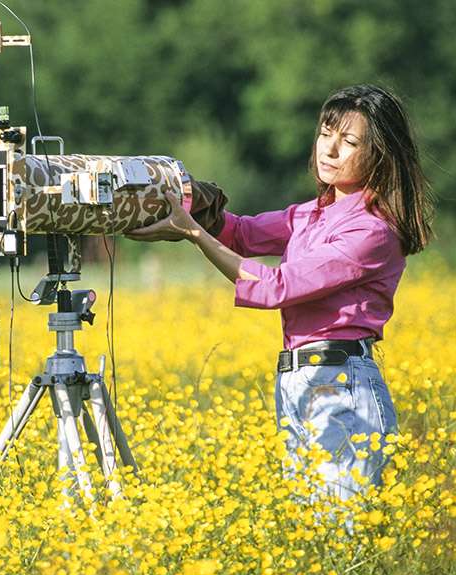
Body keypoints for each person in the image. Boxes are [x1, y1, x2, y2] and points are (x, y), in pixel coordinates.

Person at [127, 84, 435, 501]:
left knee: (338, 527)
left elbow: (276, 287)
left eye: (348, 141)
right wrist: (193, 198)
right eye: (326, 134)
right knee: (311, 526)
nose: (329, 149)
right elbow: (242, 233)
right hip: (299, 379)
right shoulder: (313, 213)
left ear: (379, 154)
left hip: (339, 382)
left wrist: (193, 232)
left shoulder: (371, 232)